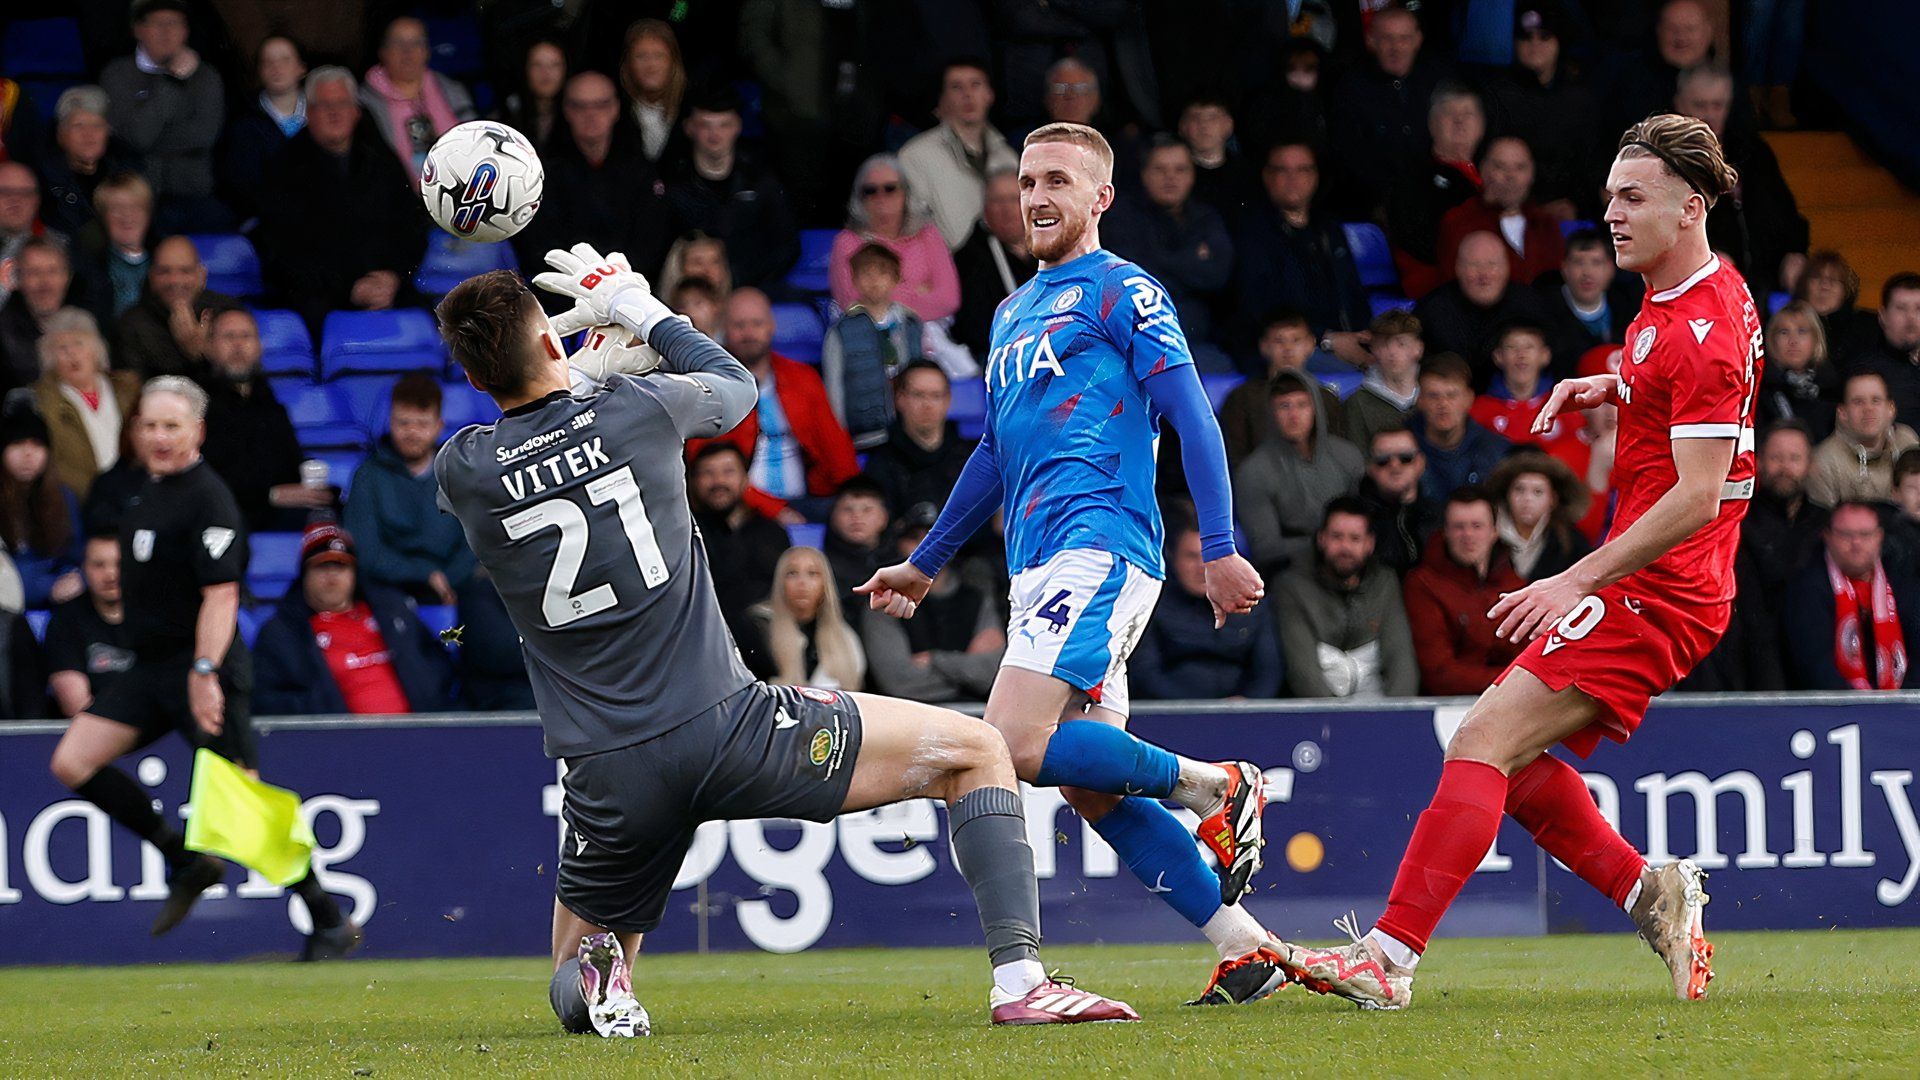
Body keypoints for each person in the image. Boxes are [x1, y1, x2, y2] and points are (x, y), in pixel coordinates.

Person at [432, 258, 1136, 1035]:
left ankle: (602, 977)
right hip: (729, 728)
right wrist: (643, 314)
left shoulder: (461, 468)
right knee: (977, 751)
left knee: (578, 965)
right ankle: (1022, 983)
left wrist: (576, 380)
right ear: (550, 337)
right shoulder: (637, 410)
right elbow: (734, 385)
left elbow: (526, 437)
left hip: (607, 771)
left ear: (468, 374)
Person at [1278, 113, 1757, 1011]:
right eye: (1610, 194)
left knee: (1480, 742)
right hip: (1652, 582)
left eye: (1631, 198)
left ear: (1690, 207)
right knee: (1509, 751)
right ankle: (1647, 892)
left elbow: (1698, 493)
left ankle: (1389, 958)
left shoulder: (1703, 329)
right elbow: (1683, 388)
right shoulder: (1685, 293)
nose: (1610, 214)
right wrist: (1614, 386)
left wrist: (1577, 575)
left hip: (1661, 588)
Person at [857, 123, 1285, 1007]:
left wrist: (1223, 545)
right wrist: (926, 562)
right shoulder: (1013, 312)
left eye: (1057, 179)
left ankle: (1216, 784)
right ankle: (1243, 947)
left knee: (1009, 745)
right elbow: (995, 453)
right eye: (1025, 180)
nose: (1036, 196)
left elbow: (1193, 414)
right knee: (1089, 784)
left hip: (1100, 546)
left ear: (1101, 198)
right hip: (1038, 564)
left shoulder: (1124, 290)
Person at [45, 376, 359, 958]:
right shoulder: (142, 492)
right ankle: (184, 860)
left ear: (197, 432)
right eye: (150, 426)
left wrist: (205, 670)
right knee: (72, 761)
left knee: (243, 799)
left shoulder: (208, 497)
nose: (160, 437)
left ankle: (326, 916)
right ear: (136, 432)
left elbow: (222, 596)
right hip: (150, 669)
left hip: (201, 667)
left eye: (172, 426)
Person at [257, 67, 427, 329]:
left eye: (342, 103)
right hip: (320, 297)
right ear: (309, 113)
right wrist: (350, 288)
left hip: (389, 287)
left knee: (432, 326)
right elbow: (282, 254)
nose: (334, 112)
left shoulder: (383, 161)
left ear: (356, 111)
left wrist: (393, 277)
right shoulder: (283, 169)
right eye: (324, 105)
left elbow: (411, 227)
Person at [686, 289, 858, 524]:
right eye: (739, 325)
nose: (748, 333)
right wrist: (773, 510)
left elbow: (835, 445)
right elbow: (704, 467)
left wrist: (853, 495)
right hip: (740, 506)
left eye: (756, 323)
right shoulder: (709, 384)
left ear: (771, 326)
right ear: (724, 329)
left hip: (808, 498)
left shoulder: (802, 377)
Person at [253, 522, 458, 714]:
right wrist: (321, 707)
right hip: (337, 745)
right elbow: (265, 699)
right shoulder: (283, 633)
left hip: (421, 734)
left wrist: (429, 693)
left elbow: (435, 659)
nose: (332, 576)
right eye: (322, 566)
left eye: (341, 566)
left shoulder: (393, 611)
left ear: (354, 573)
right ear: (304, 574)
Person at [513, 72, 670, 282]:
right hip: (564, 292)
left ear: (616, 108)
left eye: (601, 105)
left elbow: (650, 246)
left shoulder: (641, 173)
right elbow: (540, 249)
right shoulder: (543, 175)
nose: (591, 114)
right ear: (566, 110)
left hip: (630, 290)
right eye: (580, 106)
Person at [1672, 64, 1809, 298]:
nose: (1709, 114)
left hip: (1767, 283)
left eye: (1718, 105)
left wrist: (1794, 253)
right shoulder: (1668, 161)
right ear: (1679, 105)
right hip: (1702, 284)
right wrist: (1707, 258)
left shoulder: (1753, 151)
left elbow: (1788, 213)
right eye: (1700, 105)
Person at [1231, 142, 1371, 362]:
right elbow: (1258, 307)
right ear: (1267, 176)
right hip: (1291, 351)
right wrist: (1326, 338)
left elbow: (1353, 294)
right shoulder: (1252, 232)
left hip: (1346, 342)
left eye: (1302, 170)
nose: (1292, 178)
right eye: (1282, 170)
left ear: (1315, 177)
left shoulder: (1328, 229)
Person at [343, 374, 476, 605]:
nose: (412, 432)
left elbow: (476, 542)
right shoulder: (367, 475)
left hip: (457, 586)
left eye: (422, 424)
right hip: (386, 589)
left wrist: (448, 580)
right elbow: (367, 553)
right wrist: (425, 574)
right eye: (403, 423)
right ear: (390, 422)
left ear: (438, 426)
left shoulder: (458, 473)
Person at [1102, 137, 1235, 366]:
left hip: (1203, 341)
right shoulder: (1121, 218)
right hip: (1140, 341)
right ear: (1144, 173)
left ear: (1192, 174)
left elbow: (1217, 274)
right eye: (1160, 169)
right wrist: (1191, 260)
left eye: (1180, 169)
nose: (1170, 177)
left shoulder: (1206, 217)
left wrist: (1160, 260)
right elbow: (1135, 280)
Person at [99, 0, 228, 232]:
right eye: (158, 23)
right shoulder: (117, 74)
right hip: (137, 200)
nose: (167, 32)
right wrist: (172, 81)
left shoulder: (206, 76)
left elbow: (203, 136)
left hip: (194, 196)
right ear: (138, 30)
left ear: (186, 31)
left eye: (174, 23)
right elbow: (134, 138)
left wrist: (147, 142)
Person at [195, 306, 326, 533]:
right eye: (228, 336)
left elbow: (293, 465)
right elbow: (202, 478)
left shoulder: (272, 405)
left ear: (259, 347)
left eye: (246, 336)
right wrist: (270, 495)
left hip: (279, 515)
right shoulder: (196, 405)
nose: (238, 345)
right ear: (209, 348)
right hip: (222, 517)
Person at [1272, 497, 1419, 698]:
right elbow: (1303, 672)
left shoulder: (1385, 581)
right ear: (1321, 538)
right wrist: (1336, 724)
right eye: (1337, 537)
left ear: (1370, 544)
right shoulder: (1292, 585)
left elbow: (1401, 661)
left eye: (1355, 538)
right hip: (1319, 716)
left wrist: (1395, 717)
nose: (1345, 548)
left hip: (1379, 709)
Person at [859, 504, 1003, 703]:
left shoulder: (977, 599)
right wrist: (967, 674)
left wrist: (936, 661)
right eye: (914, 538)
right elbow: (899, 682)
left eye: (935, 538)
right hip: (908, 720)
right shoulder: (885, 600)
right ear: (899, 544)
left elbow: (993, 674)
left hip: (975, 716)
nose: (926, 547)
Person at [665, 90, 800, 291]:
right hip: (687, 295)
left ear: (738, 126)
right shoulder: (671, 183)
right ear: (689, 128)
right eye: (705, 125)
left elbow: (786, 246)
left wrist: (745, 285)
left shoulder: (762, 179)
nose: (715, 135)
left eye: (724, 124)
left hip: (751, 289)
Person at [1132, 520, 1282, 701]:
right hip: (1172, 718)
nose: (1202, 566)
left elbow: (1269, 671)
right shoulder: (1151, 603)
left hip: (1245, 717)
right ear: (1172, 557)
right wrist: (1203, 710)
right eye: (1191, 556)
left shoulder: (1252, 601)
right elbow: (1145, 675)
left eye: (1210, 557)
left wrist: (1246, 705)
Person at [1235, 372, 1366, 578]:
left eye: (1302, 405)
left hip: (1352, 565)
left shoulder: (1347, 456)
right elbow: (1265, 548)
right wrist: (1324, 544)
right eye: (1284, 406)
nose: (1294, 415)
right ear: (1271, 412)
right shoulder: (1254, 471)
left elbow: (1364, 520)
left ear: (1315, 409)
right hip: (1289, 572)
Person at [1480, 3, 1603, 219]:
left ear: (1558, 42)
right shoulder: (1497, 95)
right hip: (1511, 208)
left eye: (1544, 37)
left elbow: (1591, 160)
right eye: (1526, 37)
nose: (1534, 44)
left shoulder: (1581, 97)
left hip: (1569, 209)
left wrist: (1577, 203)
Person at [1781, 501, 1920, 690]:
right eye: (1845, 535)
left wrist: (1902, 699)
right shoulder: (1807, 587)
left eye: (1865, 534)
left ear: (1879, 536)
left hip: (1899, 708)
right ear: (1827, 536)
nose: (1856, 543)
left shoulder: (1901, 581)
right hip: (1835, 711)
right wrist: (1860, 707)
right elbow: (1814, 664)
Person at [1326, 6, 1448, 218]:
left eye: (1404, 39)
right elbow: (1347, 155)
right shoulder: (1351, 89)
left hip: (1435, 198)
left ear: (1418, 40)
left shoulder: (1439, 81)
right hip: (1374, 206)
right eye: (1387, 39)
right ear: (1371, 41)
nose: (1396, 48)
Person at [1403, 487, 1526, 695]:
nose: (1468, 535)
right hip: (1444, 709)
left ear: (1494, 532)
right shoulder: (1423, 583)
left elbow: (1529, 660)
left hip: (1509, 705)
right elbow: (1439, 673)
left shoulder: (1515, 586)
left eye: (1477, 526)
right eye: (1459, 527)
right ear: (1446, 532)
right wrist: (1509, 681)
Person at [686, 442, 787, 678]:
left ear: (745, 478)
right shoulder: (686, 533)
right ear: (693, 481)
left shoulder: (772, 531)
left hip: (771, 638)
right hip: (708, 642)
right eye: (707, 473)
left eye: (728, 471)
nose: (718, 481)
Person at [898, 60, 1018, 253]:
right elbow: (911, 228)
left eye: (975, 84)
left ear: (990, 95)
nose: (968, 94)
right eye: (956, 87)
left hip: (1003, 270)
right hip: (947, 270)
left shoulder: (1008, 156)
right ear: (942, 98)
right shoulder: (915, 156)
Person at [830, 154, 961, 325]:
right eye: (870, 191)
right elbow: (854, 303)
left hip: (928, 336)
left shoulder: (928, 234)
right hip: (869, 336)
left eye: (890, 189)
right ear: (860, 199)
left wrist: (886, 295)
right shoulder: (847, 242)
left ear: (906, 194)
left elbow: (949, 300)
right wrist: (916, 292)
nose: (881, 199)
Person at [1386, 82, 1486, 300]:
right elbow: (1420, 243)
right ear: (1432, 124)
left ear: (1481, 125)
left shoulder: (1494, 174)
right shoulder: (1414, 178)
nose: (1459, 121)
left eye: (1468, 114)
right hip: (1441, 289)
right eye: (1449, 113)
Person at [820, 244, 925, 448]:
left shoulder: (912, 325)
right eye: (866, 273)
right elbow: (834, 386)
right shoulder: (841, 331)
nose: (874, 281)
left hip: (908, 433)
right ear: (854, 279)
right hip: (864, 434)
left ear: (895, 278)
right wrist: (840, 436)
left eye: (883, 273)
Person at [1415, 230, 1554, 379]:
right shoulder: (1431, 311)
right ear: (1458, 269)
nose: (1484, 275)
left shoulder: (1532, 306)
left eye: (1492, 264)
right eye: (1474, 265)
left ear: (1507, 268)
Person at [358, 16, 477, 186]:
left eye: (416, 42)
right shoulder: (363, 102)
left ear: (427, 50)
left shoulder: (452, 91)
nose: (408, 51)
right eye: (398, 43)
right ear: (382, 51)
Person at [34, 308, 140, 498]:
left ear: (96, 348)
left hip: (134, 492)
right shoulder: (41, 400)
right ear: (49, 356)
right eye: (62, 348)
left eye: (79, 344)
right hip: (81, 501)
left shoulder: (128, 388)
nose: (72, 354)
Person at [1218, 310, 1345, 468]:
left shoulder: (1327, 399)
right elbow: (1234, 459)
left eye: (1296, 340)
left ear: (1311, 345)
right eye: (1279, 341)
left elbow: (1340, 457)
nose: (1288, 349)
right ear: (1264, 346)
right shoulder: (1242, 398)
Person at [1436, 136, 1566, 289]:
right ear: (1483, 171)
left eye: (1520, 167)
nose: (1510, 176)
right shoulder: (1458, 221)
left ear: (1531, 174)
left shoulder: (1546, 224)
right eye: (1500, 167)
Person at [863, 361, 976, 516]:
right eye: (918, 395)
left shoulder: (971, 459)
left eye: (935, 396)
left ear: (948, 400)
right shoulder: (881, 464)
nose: (927, 404)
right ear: (899, 398)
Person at [0, 406, 85, 608]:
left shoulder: (63, 497)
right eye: (18, 443)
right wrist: (48, 588)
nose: (28, 453)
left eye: (37, 444)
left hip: (57, 607)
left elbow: (78, 554)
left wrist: (77, 579)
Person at [219, 36, 309, 221]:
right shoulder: (242, 121)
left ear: (301, 67)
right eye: (267, 61)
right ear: (259, 70)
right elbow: (241, 182)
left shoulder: (321, 112)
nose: (276, 68)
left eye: (285, 59)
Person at [46, 530, 133, 718]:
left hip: (159, 737)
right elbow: (75, 705)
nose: (110, 574)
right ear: (83, 568)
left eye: (119, 564)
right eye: (99, 565)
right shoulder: (65, 620)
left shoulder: (158, 616)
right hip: (93, 736)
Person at [115, 235, 229, 378]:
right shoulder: (131, 324)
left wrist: (202, 355)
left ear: (202, 276)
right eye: (164, 271)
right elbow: (135, 390)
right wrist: (189, 352)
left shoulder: (226, 312)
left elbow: (242, 384)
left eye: (185, 270)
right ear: (152, 276)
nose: (175, 280)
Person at [754, 546, 866, 691]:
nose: (802, 583)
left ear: (825, 583)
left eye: (812, 574)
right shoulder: (757, 629)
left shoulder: (845, 638)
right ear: (780, 580)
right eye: (792, 573)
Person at [951, 169, 1037, 359]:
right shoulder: (968, 260)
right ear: (984, 209)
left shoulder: (1054, 250)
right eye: (997, 201)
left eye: (1014, 199)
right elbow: (973, 329)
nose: (1006, 210)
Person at [1472, 321, 1587, 457]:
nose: (1521, 355)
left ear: (1545, 355)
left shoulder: (1566, 408)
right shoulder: (1479, 410)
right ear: (1498, 356)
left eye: (1529, 347)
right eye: (1512, 347)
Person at [1807, 371, 1919, 507]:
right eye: (1858, 402)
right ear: (1842, 413)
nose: (1868, 409)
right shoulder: (1823, 463)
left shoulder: (1907, 440)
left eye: (1876, 400)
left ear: (1891, 409)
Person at [1411, 352, 1510, 504]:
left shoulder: (1498, 452)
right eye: (1433, 396)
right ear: (1420, 400)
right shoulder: (1401, 451)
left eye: (1452, 395)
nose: (1443, 404)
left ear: (1469, 398)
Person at [39, 87, 137, 241]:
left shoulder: (128, 175)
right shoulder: (42, 181)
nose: (88, 134)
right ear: (60, 135)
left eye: (97, 125)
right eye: (78, 125)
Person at [1538, 230, 1640, 376]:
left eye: (1596, 262)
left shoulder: (1628, 307)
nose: (1587, 272)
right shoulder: (1544, 311)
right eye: (1578, 262)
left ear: (1611, 268)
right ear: (1565, 268)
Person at [1490, 449, 1593, 580]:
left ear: (1553, 499)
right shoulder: (1484, 533)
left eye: (1538, 492)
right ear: (1507, 494)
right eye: (1519, 489)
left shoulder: (1572, 543)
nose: (1527, 498)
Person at [72, 172, 155, 321]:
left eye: (135, 206)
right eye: (116, 208)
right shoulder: (87, 270)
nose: (127, 216)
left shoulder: (165, 261)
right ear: (103, 216)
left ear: (148, 212)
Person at [1358, 426, 1442, 574]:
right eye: (1383, 460)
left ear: (1420, 463)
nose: (1395, 466)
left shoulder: (1441, 518)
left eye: (1405, 458)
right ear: (1370, 467)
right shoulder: (1356, 521)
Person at [0, 238, 78, 389]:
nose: (45, 282)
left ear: (67, 277)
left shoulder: (83, 321)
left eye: (52, 271)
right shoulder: (3, 332)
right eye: (34, 272)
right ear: (18, 279)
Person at [1840, 273, 1920, 420]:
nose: (1911, 316)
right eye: (1901, 308)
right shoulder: (1862, 371)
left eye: (1918, 308)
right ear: (1883, 316)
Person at [1343, 310, 1424, 451]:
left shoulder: (1433, 393)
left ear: (1418, 348)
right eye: (1384, 344)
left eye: (1401, 344)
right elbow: (1358, 461)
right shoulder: (1357, 403)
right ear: (1373, 349)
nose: (1392, 352)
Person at [1758, 299, 1838, 440]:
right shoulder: (1760, 393)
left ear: (1815, 339)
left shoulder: (1833, 391)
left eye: (1802, 331)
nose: (1793, 340)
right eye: (1784, 332)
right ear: (1772, 339)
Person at [1177, 97, 1257, 221]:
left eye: (1212, 117)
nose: (1203, 125)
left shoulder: (1248, 174)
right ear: (1182, 126)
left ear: (1229, 125)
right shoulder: (1173, 175)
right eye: (1195, 117)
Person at [820, 477, 889, 617]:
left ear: (884, 517)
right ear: (832, 516)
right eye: (847, 509)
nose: (856, 516)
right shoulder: (820, 567)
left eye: (867, 510)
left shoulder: (903, 562)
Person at [1796, 251, 1875, 361]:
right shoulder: (1789, 324)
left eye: (1833, 279)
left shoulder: (1867, 328)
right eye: (1817, 277)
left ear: (1845, 291)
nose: (1824, 285)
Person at [499, 39, 566, 149]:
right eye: (537, 65)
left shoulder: (577, 115)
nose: (545, 73)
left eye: (554, 65)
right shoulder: (508, 116)